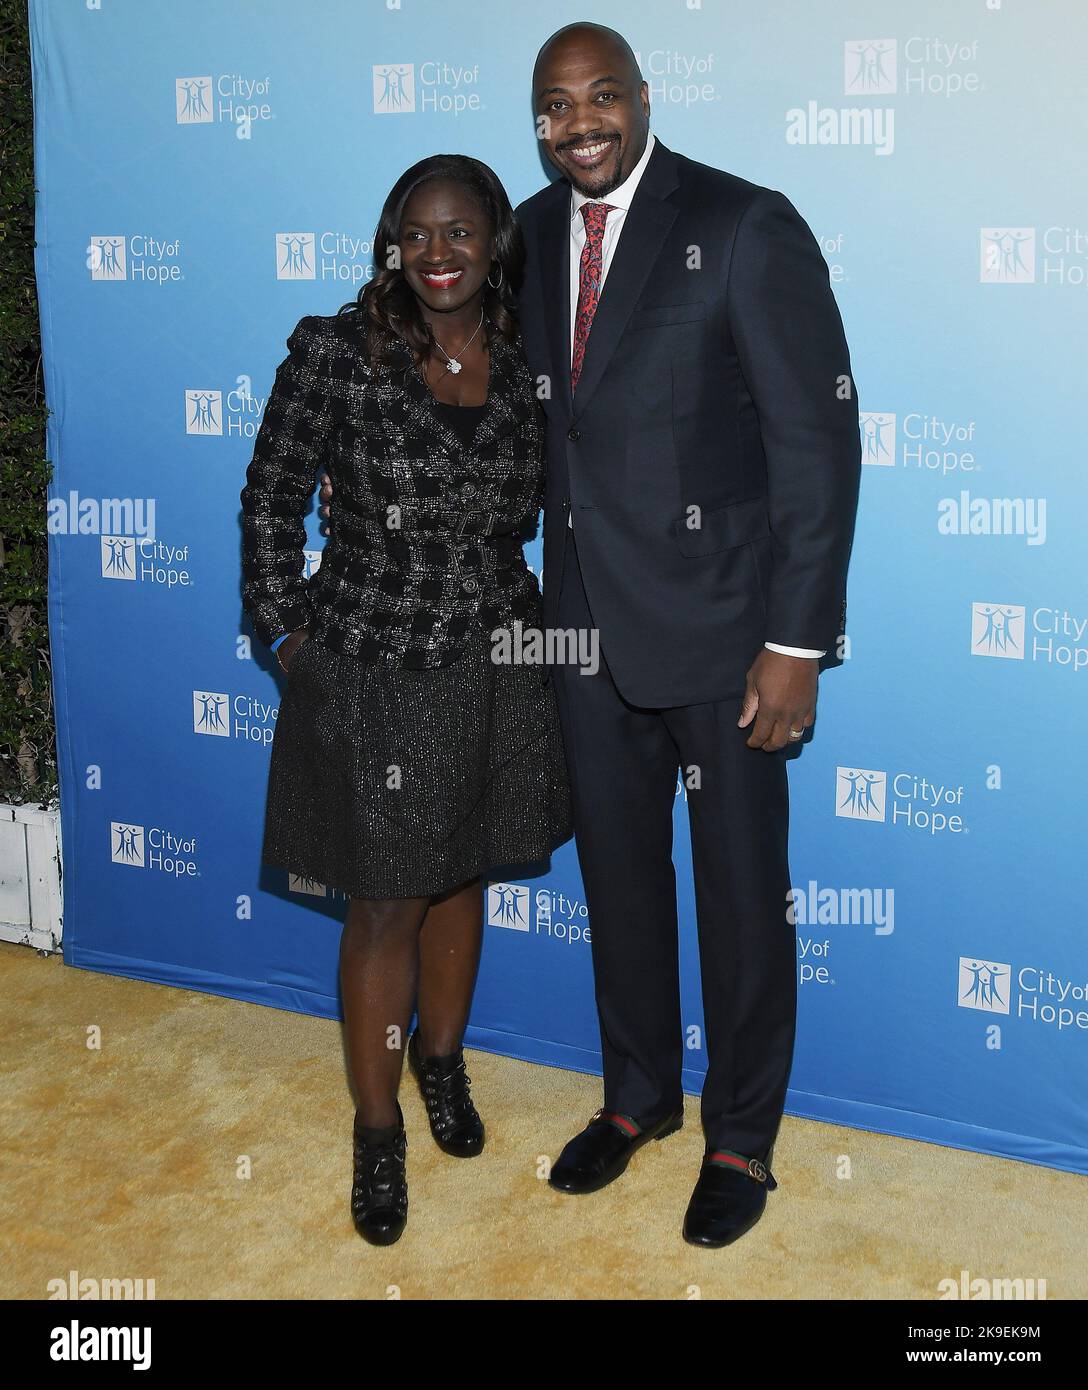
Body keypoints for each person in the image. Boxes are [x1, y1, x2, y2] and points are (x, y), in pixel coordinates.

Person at [321, 22, 862, 1249]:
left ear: (641, 99)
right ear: (537, 122)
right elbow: (457, 374)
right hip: (571, 641)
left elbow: (814, 445)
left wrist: (795, 642)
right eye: (553, 106)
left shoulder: (740, 223)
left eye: (599, 97)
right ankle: (636, 1100)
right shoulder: (517, 234)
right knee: (616, 883)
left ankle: (739, 1139)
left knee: (736, 895)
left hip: (726, 639)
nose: (579, 123)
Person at [239, 154, 572, 1246]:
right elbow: (272, 495)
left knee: (460, 866)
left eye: (460, 232)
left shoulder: (526, 359)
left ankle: (440, 1062)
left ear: (492, 243)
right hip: (374, 660)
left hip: (491, 656)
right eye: (417, 234)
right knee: (384, 897)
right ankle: (376, 1130)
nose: (438, 253)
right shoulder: (336, 351)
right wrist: (285, 630)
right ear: (392, 243)